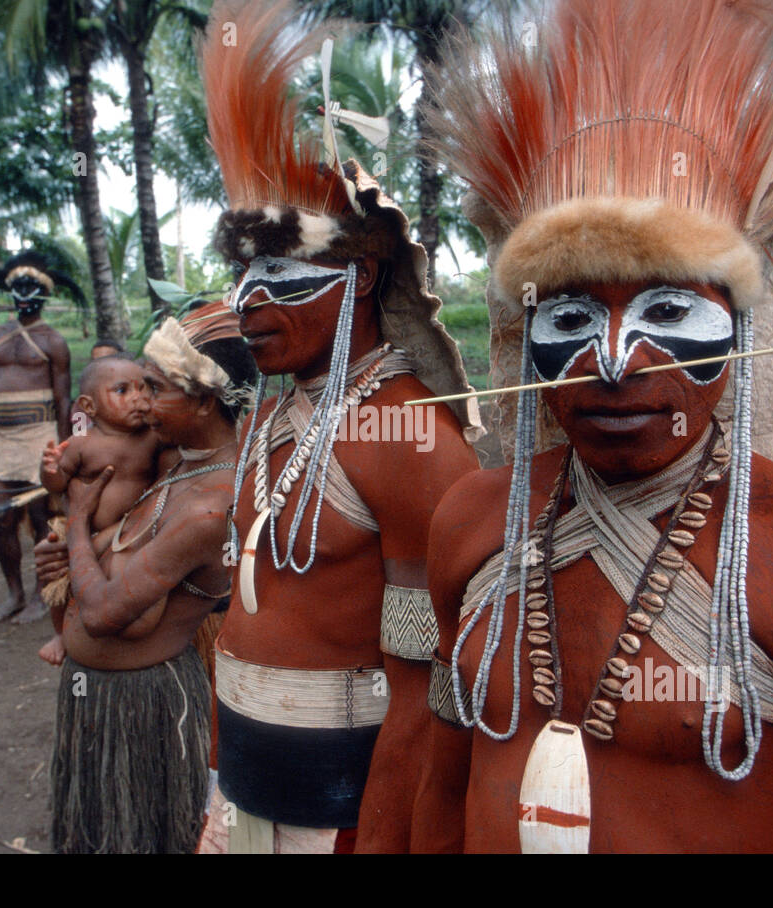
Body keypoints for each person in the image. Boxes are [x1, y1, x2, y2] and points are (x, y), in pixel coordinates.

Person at [411, 0, 773, 853]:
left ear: (740, 335)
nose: (613, 360)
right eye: (567, 316)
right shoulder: (468, 526)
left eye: (667, 308)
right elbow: (441, 781)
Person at [194, 0, 481, 854]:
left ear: (362, 273)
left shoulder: (412, 441)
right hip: (246, 780)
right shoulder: (277, 410)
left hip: (348, 811)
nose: (247, 303)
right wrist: (218, 780)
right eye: (242, 274)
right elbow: (245, 623)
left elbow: (429, 694)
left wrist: (388, 838)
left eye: (279, 271)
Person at [33, 304, 258, 854]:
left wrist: (80, 526)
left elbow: (108, 612)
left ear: (204, 400)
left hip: (148, 706)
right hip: (98, 699)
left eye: (154, 389)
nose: (142, 403)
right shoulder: (176, 463)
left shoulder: (212, 503)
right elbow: (123, 546)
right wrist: (70, 555)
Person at [0, 251, 76, 622]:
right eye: (17, 287)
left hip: (41, 435)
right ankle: (14, 593)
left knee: (42, 518)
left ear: (43, 295)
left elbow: (62, 397)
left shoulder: (54, 342)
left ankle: (41, 595)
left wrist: (64, 448)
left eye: (31, 287)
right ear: (9, 293)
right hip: (2, 438)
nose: (23, 294)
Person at [40, 355, 166, 535]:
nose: (137, 397)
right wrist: (50, 470)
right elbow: (56, 485)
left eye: (142, 388)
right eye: (122, 391)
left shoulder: (153, 436)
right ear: (89, 406)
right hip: (93, 535)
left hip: (140, 531)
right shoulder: (81, 443)